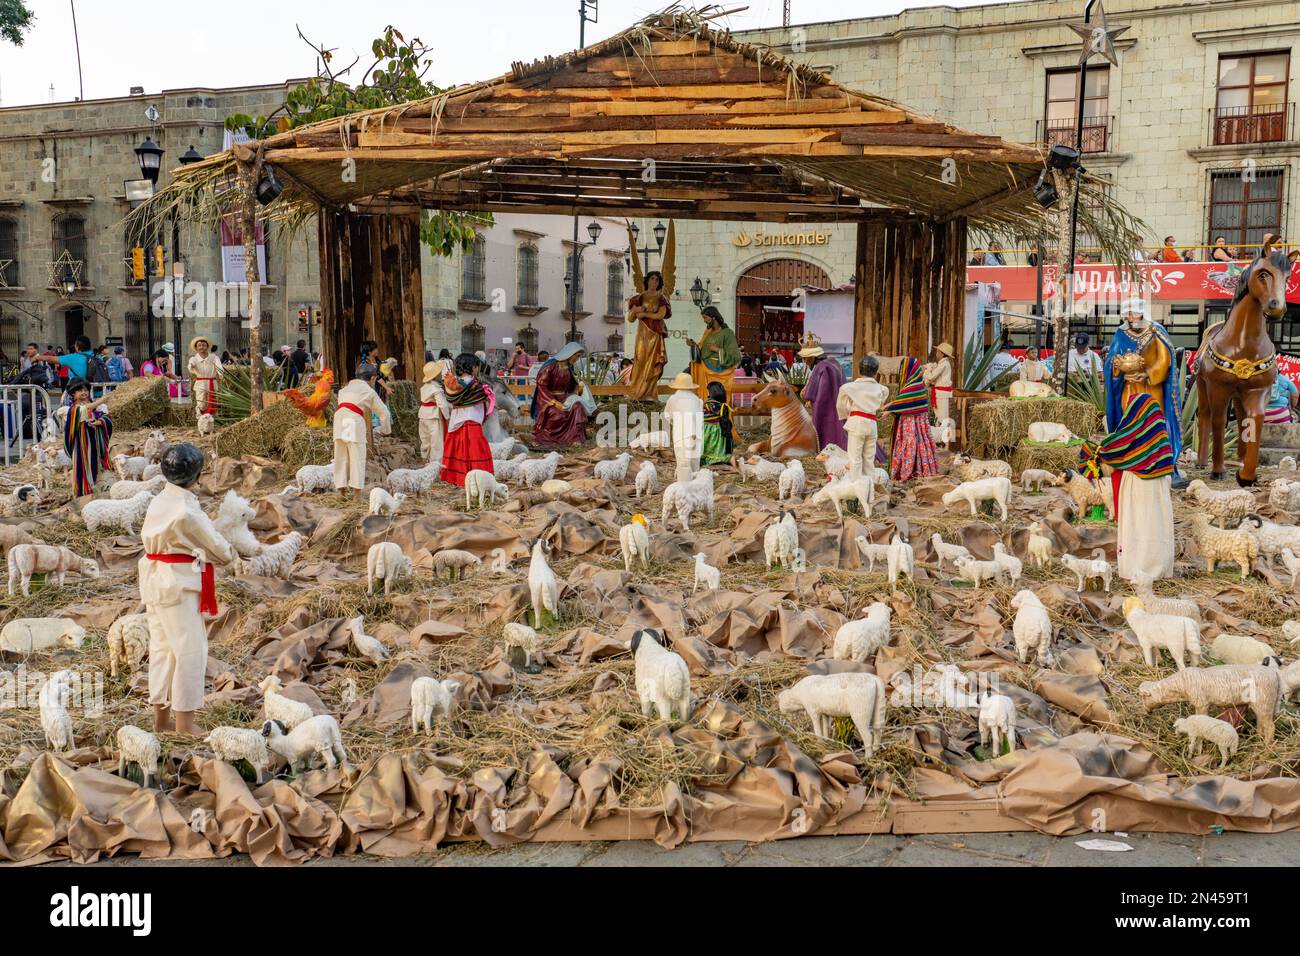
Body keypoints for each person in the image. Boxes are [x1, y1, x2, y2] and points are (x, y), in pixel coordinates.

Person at [139, 443, 236, 735]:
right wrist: (229, 551)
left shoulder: (159, 501)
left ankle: (161, 722)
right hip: (178, 584)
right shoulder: (187, 512)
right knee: (190, 652)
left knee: (161, 650)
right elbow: (220, 550)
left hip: (155, 580)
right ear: (196, 476)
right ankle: (185, 725)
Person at [1078, 393, 1175, 582]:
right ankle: (1158, 568)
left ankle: (1137, 570)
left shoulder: (1131, 432)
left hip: (1136, 484)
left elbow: (1114, 446)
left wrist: (1096, 451)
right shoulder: (1159, 432)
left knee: (1137, 524)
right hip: (1159, 483)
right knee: (1155, 524)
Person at [1104, 297, 1183, 490]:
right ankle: (1132, 463)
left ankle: (1163, 466)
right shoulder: (1121, 333)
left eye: (1134, 313)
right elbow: (1112, 358)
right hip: (1129, 388)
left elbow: (1165, 361)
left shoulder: (1156, 331)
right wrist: (1116, 367)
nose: (1131, 318)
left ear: (1142, 312)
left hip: (1151, 388)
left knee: (1154, 423)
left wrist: (1146, 373)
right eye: (1128, 314)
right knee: (1130, 423)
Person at [333, 365, 391, 497]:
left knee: (340, 457)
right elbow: (384, 413)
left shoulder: (344, 389)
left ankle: (341, 492)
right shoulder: (369, 391)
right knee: (357, 457)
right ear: (372, 378)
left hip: (339, 420)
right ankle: (356, 495)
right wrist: (386, 430)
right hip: (352, 421)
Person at [441, 353, 495, 487]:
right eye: (477, 366)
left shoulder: (453, 385)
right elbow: (482, 396)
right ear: (472, 367)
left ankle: (459, 478)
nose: (478, 369)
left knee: (459, 448)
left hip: (457, 420)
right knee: (475, 450)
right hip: (471, 420)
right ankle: (478, 479)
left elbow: (454, 399)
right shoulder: (475, 386)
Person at [885, 357, 940, 482]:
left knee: (911, 443)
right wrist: (889, 406)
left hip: (911, 422)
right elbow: (903, 400)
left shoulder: (913, 385)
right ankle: (918, 469)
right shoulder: (917, 383)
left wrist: (888, 410)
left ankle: (908, 471)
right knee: (919, 444)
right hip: (918, 422)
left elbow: (903, 401)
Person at [837, 354, 890, 478]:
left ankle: (856, 491)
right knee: (869, 461)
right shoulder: (883, 389)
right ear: (876, 372)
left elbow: (840, 406)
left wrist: (845, 416)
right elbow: (881, 402)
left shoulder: (847, 388)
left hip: (856, 423)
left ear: (858, 370)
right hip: (871, 424)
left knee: (855, 459)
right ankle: (868, 490)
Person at [62, 377, 113, 504]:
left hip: (95, 441)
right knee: (83, 466)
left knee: (96, 465)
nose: (84, 393)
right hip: (81, 445)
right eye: (79, 390)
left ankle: (98, 490)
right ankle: (83, 495)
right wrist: (101, 400)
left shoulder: (98, 407)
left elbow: (107, 418)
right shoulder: (73, 409)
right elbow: (85, 410)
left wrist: (100, 422)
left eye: (86, 390)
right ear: (73, 394)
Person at [532, 342, 589, 449]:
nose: (577, 359)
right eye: (576, 356)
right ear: (569, 354)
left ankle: (575, 438)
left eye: (579, 357)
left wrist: (579, 388)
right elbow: (542, 386)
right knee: (557, 414)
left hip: (565, 398)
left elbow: (571, 386)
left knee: (578, 407)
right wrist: (554, 402)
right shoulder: (550, 366)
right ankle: (546, 439)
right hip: (548, 400)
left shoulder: (568, 368)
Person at [626, 270, 671, 400]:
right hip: (642, 333)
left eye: (657, 280)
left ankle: (650, 393)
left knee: (652, 363)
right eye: (652, 279)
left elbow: (661, 315)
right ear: (647, 280)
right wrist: (635, 310)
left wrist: (645, 314)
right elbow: (630, 318)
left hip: (655, 334)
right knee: (639, 360)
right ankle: (636, 392)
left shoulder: (661, 298)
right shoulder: (639, 298)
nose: (654, 282)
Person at [797, 333, 847, 451]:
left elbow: (809, 394)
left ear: (812, 357)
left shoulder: (821, 367)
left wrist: (806, 394)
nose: (804, 361)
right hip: (839, 403)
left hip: (824, 405)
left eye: (805, 358)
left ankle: (824, 447)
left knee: (825, 428)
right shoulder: (834, 363)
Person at [689, 305, 741, 411]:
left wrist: (718, 350)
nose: (704, 321)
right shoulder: (708, 334)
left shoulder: (727, 333)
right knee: (706, 403)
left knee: (719, 403)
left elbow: (735, 356)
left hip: (720, 374)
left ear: (713, 317)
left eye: (705, 318)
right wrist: (693, 346)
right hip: (705, 373)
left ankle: (722, 423)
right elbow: (701, 353)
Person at [663, 371, 704, 483]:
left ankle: (684, 485)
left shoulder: (673, 399)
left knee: (683, 461)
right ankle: (696, 484)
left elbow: (667, 416)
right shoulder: (697, 399)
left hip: (681, 434)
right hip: (696, 434)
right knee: (695, 460)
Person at [419, 358, 452, 465]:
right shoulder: (436, 389)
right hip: (433, 415)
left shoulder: (424, 387)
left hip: (423, 414)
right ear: (435, 375)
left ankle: (424, 458)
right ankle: (435, 464)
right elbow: (442, 404)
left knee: (425, 439)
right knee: (436, 442)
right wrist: (447, 417)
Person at [187, 336, 223, 415]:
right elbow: (190, 365)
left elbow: (219, 367)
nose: (201, 347)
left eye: (204, 345)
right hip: (201, 383)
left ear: (207, 346)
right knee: (201, 402)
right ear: (196, 348)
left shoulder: (214, 357)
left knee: (213, 402)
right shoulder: (194, 359)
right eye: (199, 345)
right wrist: (191, 366)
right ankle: (201, 420)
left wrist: (220, 374)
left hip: (212, 382)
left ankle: (213, 420)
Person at [700, 380, 734, 466]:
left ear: (711, 392)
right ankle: (722, 457)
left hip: (709, 430)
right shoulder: (723, 405)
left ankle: (711, 458)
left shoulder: (708, 404)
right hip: (720, 429)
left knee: (706, 448)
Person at [922, 342, 955, 424]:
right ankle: (940, 432)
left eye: (938, 352)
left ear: (942, 354)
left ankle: (942, 434)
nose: (936, 353)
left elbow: (931, 376)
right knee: (938, 415)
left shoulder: (944, 364)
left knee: (942, 416)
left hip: (942, 394)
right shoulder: (941, 364)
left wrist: (927, 370)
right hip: (940, 393)